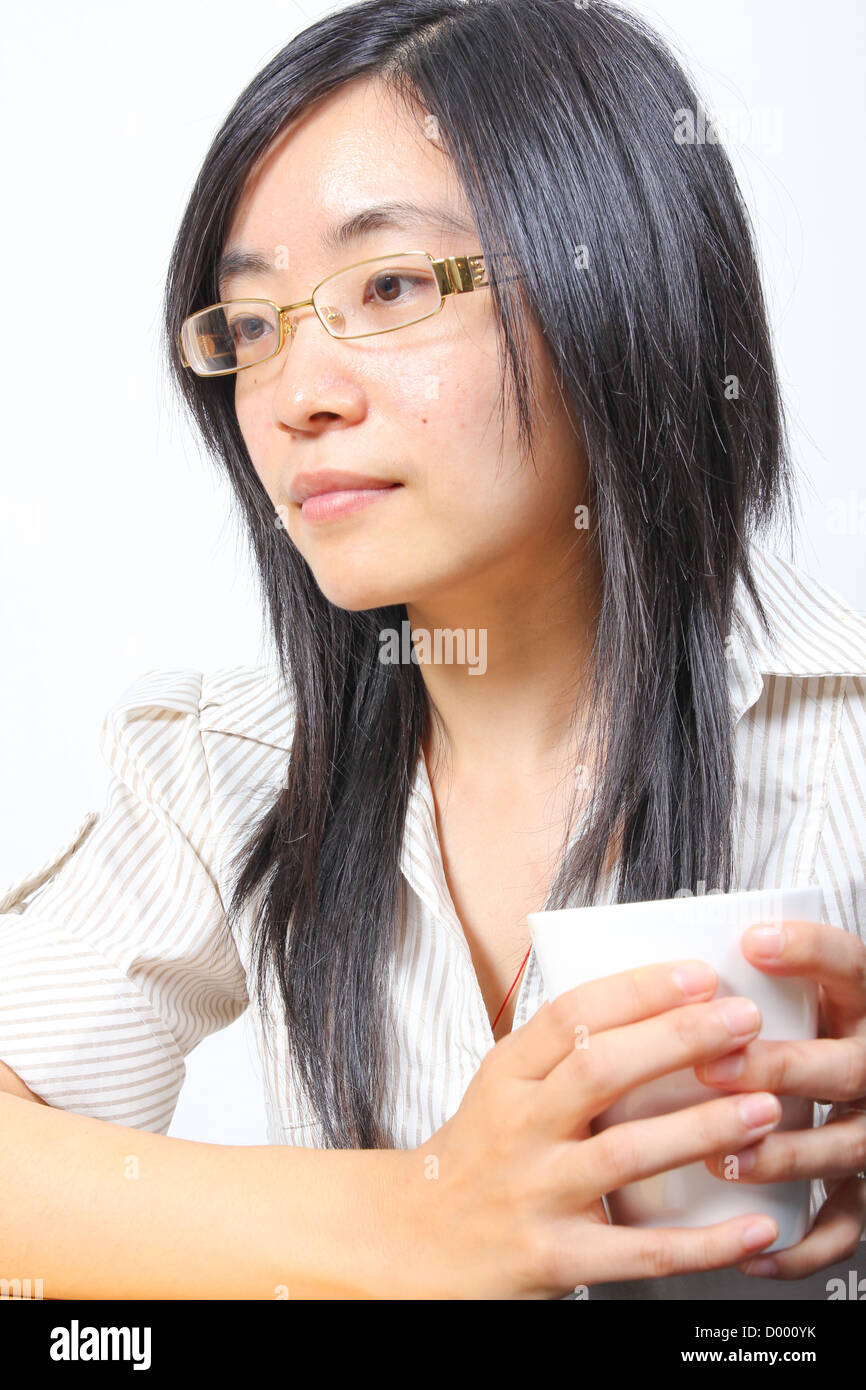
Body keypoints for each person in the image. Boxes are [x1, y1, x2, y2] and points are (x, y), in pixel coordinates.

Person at [1, 0, 864, 1301]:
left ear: (620, 287)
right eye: (248, 327)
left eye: (390, 286)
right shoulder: (228, 768)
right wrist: (418, 1217)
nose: (295, 395)